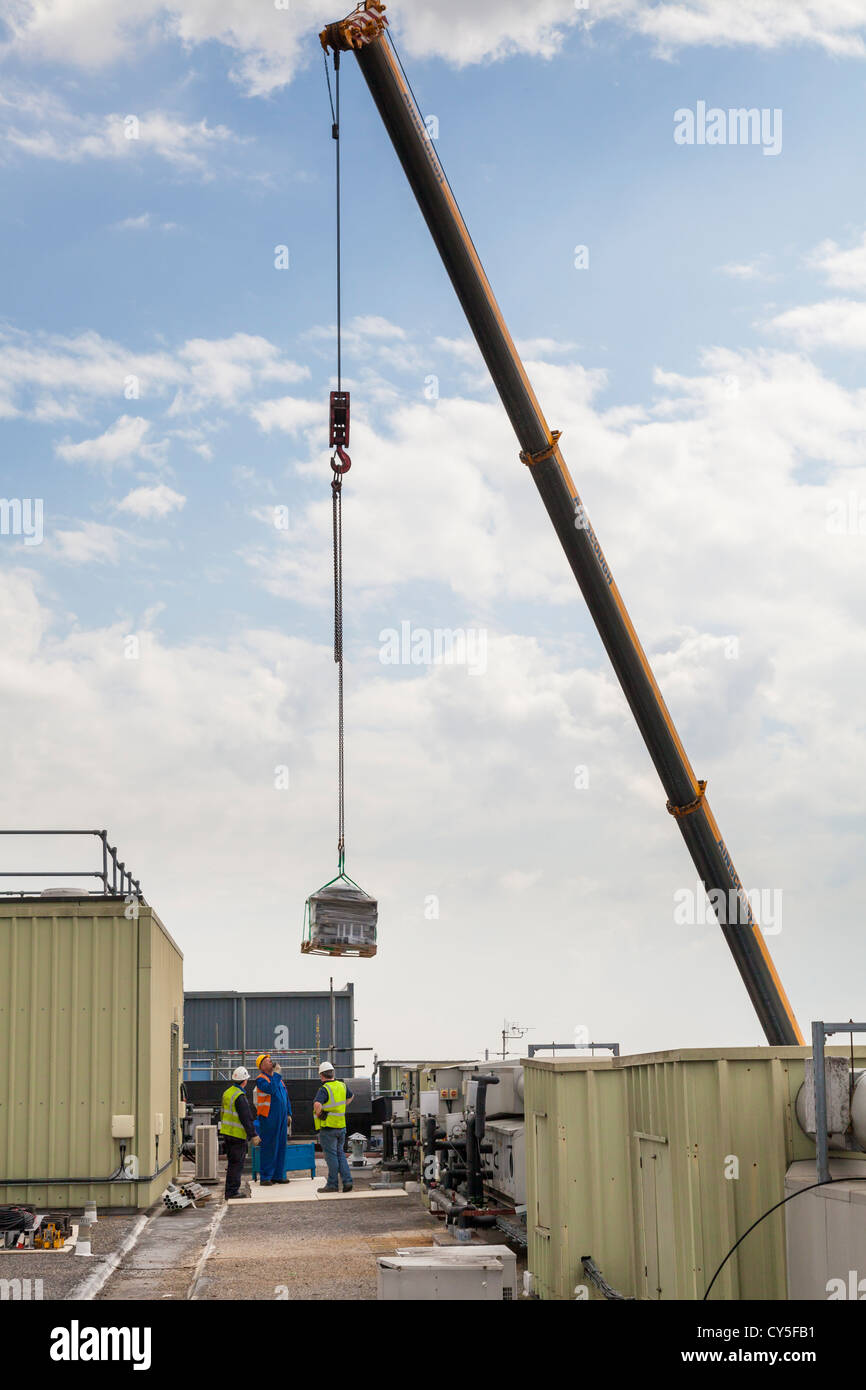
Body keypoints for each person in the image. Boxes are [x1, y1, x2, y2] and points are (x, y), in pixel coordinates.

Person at [219, 1066, 260, 1199]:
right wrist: (253, 1134)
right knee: (237, 1164)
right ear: (245, 1081)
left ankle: (229, 1190)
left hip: (227, 1133)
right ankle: (232, 1192)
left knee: (232, 1163)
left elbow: (223, 1113)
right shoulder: (240, 1096)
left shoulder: (227, 1093)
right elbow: (246, 1118)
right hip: (237, 1135)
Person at [313, 1061, 354, 1193]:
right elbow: (351, 1097)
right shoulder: (342, 1085)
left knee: (331, 1157)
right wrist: (341, 1107)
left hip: (328, 1128)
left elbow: (317, 1105)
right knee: (340, 1154)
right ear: (333, 1073)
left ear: (321, 1075)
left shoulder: (324, 1089)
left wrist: (320, 1114)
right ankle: (347, 1182)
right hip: (341, 1126)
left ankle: (332, 1184)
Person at [254, 1053, 293, 1185]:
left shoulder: (278, 1080)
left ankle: (278, 1175)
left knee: (281, 1146)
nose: (272, 1063)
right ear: (262, 1066)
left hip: (281, 1118)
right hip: (268, 1118)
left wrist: (289, 1113)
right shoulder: (261, 1079)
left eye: (271, 1061)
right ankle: (265, 1177)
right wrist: (276, 1074)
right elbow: (270, 1090)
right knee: (269, 1146)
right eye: (268, 1061)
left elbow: (286, 1097)